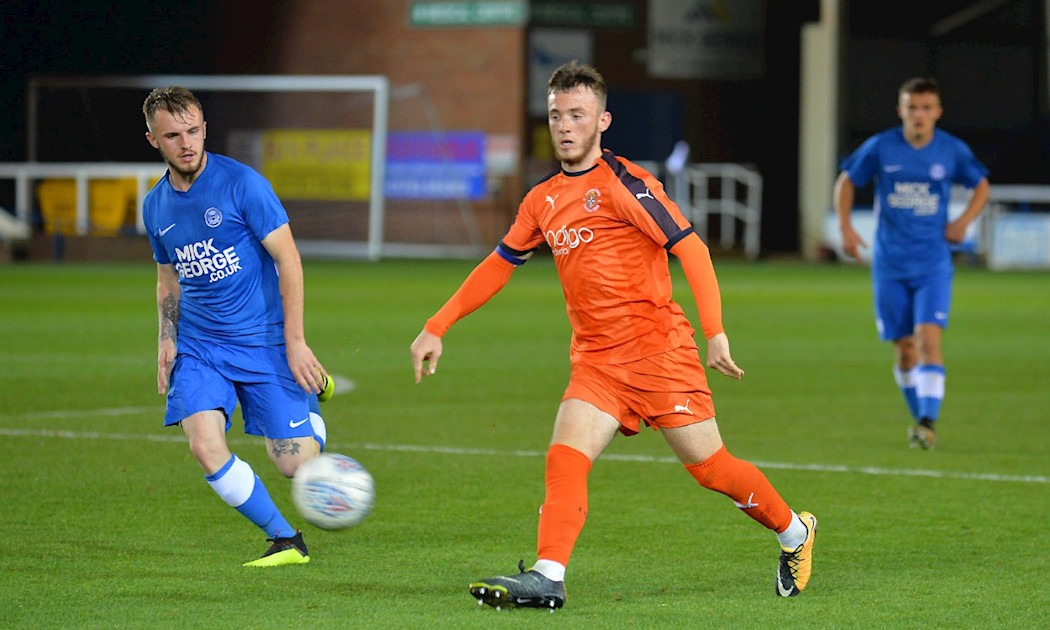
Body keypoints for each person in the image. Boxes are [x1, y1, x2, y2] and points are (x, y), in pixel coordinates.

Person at [410, 61, 817, 610]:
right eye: (556, 115)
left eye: (577, 115)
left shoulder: (627, 185)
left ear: (603, 121)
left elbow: (693, 250)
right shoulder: (541, 199)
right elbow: (499, 264)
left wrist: (715, 333)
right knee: (565, 457)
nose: (565, 126)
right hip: (597, 361)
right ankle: (549, 576)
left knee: (711, 470)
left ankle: (794, 531)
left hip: (660, 353)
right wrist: (436, 325)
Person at [142, 86, 331, 566]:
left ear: (205, 128)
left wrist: (295, 342)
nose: (186, 143)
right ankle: (285, 539)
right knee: (205, 447)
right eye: (173, 135)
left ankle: (312, 399)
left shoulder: (244, 185)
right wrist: (167, 337)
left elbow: (289, 260)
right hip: (200, 346)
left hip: (263, 341)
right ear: (153, 140)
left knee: (296, 466)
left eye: (193, 131)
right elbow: (167, 277)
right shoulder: (155, 206)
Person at [834, 77, 990, 450]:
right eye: (912, 107)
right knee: (905, 349)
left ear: (938, 112)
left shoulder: (951, 150)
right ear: (900, 110)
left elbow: (981, 186)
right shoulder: (881, 147)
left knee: (927, 340)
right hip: (889, 264)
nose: (919, 115)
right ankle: (920, 417)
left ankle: (926, 421)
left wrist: (963, 221)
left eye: (926, 108)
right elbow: (846, 181)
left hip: (933, 262)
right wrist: (846, 229)